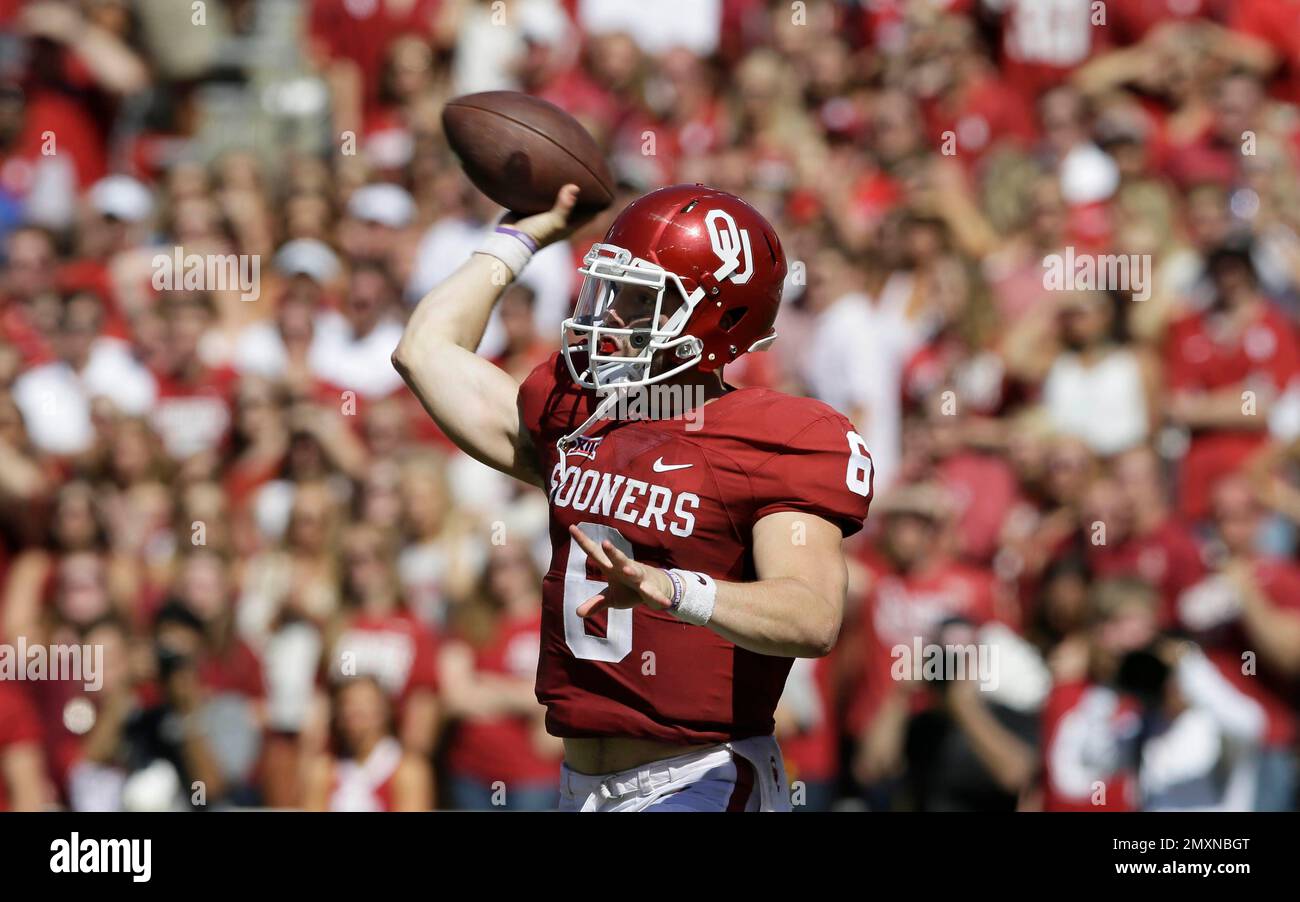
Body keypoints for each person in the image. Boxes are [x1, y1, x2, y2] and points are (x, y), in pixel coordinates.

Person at [393, 183, 873, 811]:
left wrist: (674, 589)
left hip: (699, 779)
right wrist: (519, 239)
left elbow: (812, 616)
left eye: (637, 298)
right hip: (578, 785)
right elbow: (424, 352)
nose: (607, 313)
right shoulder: (580, 413)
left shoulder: (775, 439)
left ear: (717, 318)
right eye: (609, 289)